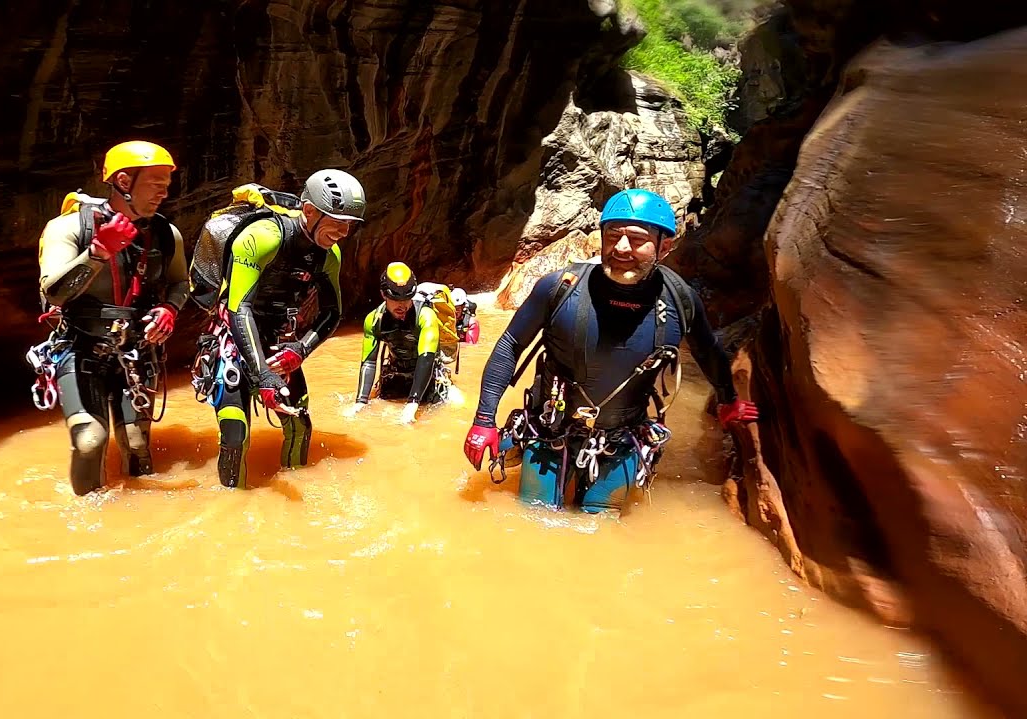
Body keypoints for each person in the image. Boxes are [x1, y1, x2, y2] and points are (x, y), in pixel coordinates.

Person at [461, 188, 758, 514]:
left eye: (637, 238)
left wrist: (728, 401)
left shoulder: (680, 300)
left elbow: (709, 352)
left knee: (598, 525)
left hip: (622, 438)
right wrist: (484, 421)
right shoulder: (559, 288)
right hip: (549, 432)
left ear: (665, 246)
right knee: (534, 520)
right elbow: (510, 345)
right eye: (612, 235)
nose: (621, 247)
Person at [32, 140, 190, 496]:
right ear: (122, 182)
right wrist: (98, 252)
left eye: (167, 183)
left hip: (137, 351)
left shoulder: (166, 234)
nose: (164, 192)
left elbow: (182, 282)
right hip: (80, 347)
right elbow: (54, 292)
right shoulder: (69, 229)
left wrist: (170, 309)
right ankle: (87, 522)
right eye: (156, 183)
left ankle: (142, 511)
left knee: (136, 443)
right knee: (90, 441)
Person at [207, 169, 365, 488]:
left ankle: (298, 507)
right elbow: (240, 308)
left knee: (299, 427)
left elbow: (333, 312)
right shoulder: (263, 237)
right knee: (236, 433)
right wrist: (262, 375)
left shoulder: (329, 255)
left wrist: (301, 350)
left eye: (349, 224)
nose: (344, 231)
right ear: (309, 211)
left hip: (281, 342)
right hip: (234, 340)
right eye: (337, 221)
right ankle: (230, 506)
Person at [344, 262, 446, 424]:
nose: (402, 305)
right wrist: (360, 402)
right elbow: (369, 362)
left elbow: (426, 358)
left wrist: (412, 405)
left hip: (428, 380)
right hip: (396, 376)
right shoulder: (373, 320)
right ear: (383, 295)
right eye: (395, 299)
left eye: (407, 299)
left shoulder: (425, 316)